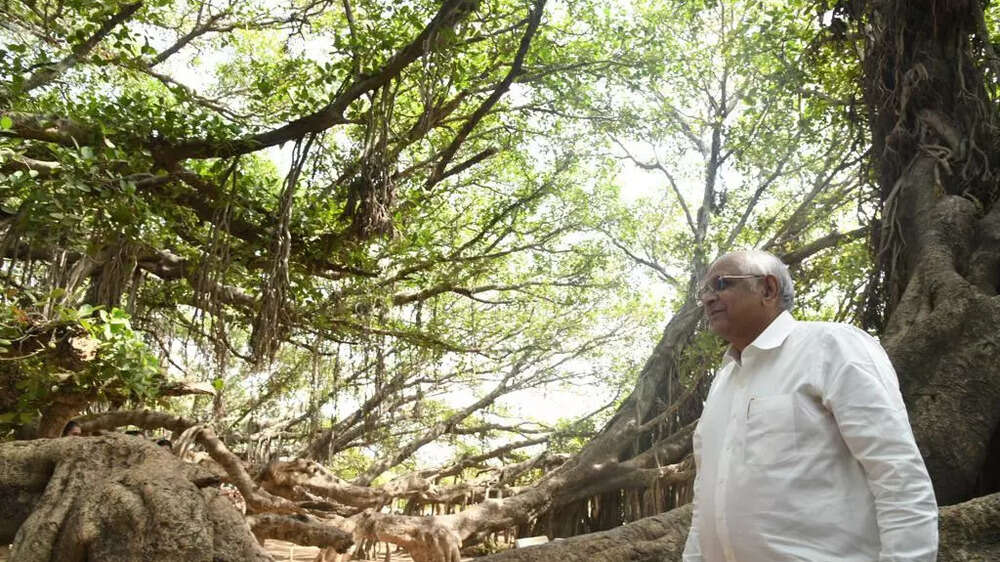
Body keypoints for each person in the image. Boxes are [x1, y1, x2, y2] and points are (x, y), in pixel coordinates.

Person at [682, 250, 938, 561]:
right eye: (704, 291)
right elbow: (705, 496)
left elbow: (897, 473)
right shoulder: (723, 382)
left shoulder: (831, 347)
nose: (708, 298)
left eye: (721, 284)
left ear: (768, 289)